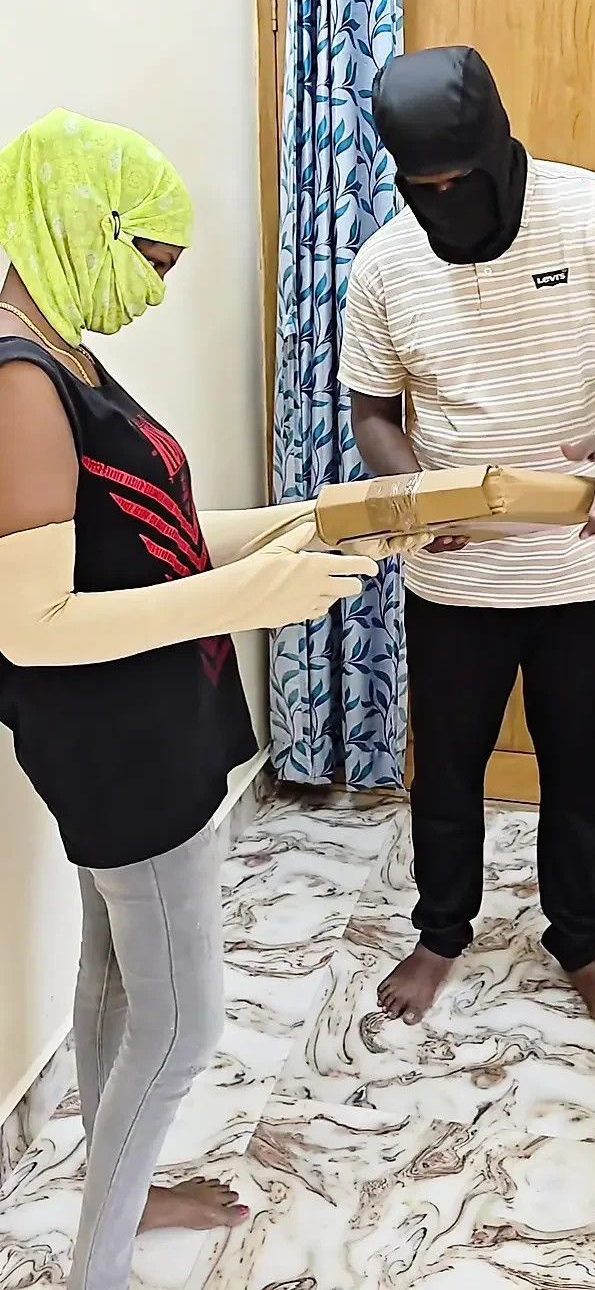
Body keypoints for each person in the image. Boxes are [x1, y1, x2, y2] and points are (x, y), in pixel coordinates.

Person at [0, 108, 418, 1290]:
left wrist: (309, 522)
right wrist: (248, 596)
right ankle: (98, 1267)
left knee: (113, 979)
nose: (158, 290)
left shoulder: (63, 350)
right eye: (152, 259)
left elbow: (152, 535)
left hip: (144, 717)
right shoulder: (21, 381)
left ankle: (121, 1195)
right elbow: (28, 622)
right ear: (86, 222)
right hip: (118, 738)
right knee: (180, 1026)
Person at [339, 47, 595, 1040]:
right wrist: (410, 489)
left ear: (497, 150)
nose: (445, 202)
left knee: (580, 777)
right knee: (446, 774)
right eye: (424, 186)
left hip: (580, 571)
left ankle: (579, 943)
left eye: (462, 181)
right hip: (454, 583)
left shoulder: (589, 211)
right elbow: (373, 411)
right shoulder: (385, 264)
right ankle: (441, 932)